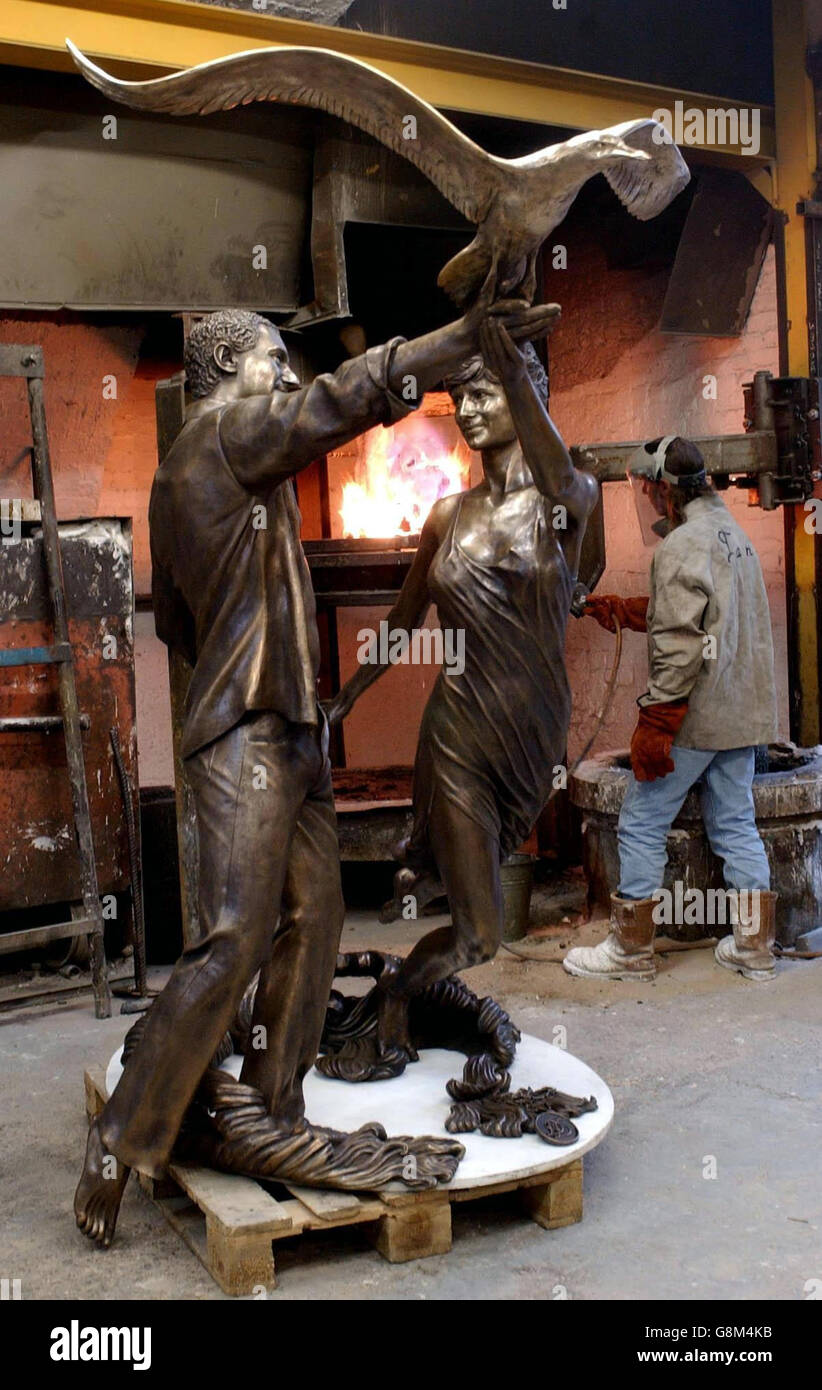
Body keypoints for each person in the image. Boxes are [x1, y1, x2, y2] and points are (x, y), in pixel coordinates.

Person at [75, 293, 560, 1247]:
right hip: (248, 731)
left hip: (290, 728)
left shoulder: (243, 478)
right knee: (229, 941)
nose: (287, 375)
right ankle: (119, 1141)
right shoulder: (214, 445)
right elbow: (339, 399)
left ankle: (273, 1107)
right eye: (270, 361)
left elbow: (174, 615)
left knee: (318, 919)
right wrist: (459, 341)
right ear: (226, 378)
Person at [327, 313, 598, 1062]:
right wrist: (343, 701)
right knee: (479, 932)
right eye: (461, 396)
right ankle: (392, 1017)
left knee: (483, 933)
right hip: (454, 731)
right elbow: (405, 619)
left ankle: (394, 1006)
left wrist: (505, 350)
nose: (470, 410)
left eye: (486, 393)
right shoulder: (447, 515)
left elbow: (561, 480)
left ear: (528, 401)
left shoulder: (567, 502)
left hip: (529, 732)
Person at [563, 435, 779, 985]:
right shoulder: (735, 537)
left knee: (640, 820)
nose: (649, 502)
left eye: (649, 491)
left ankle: (630, 952)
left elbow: (682, 643)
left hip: (696, 719)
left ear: (665, 490)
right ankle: (755, 947)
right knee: (735, 823)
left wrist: (657, 723)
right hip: (742, 716)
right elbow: (701, 615)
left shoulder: (681, 546)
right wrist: (622, 610)